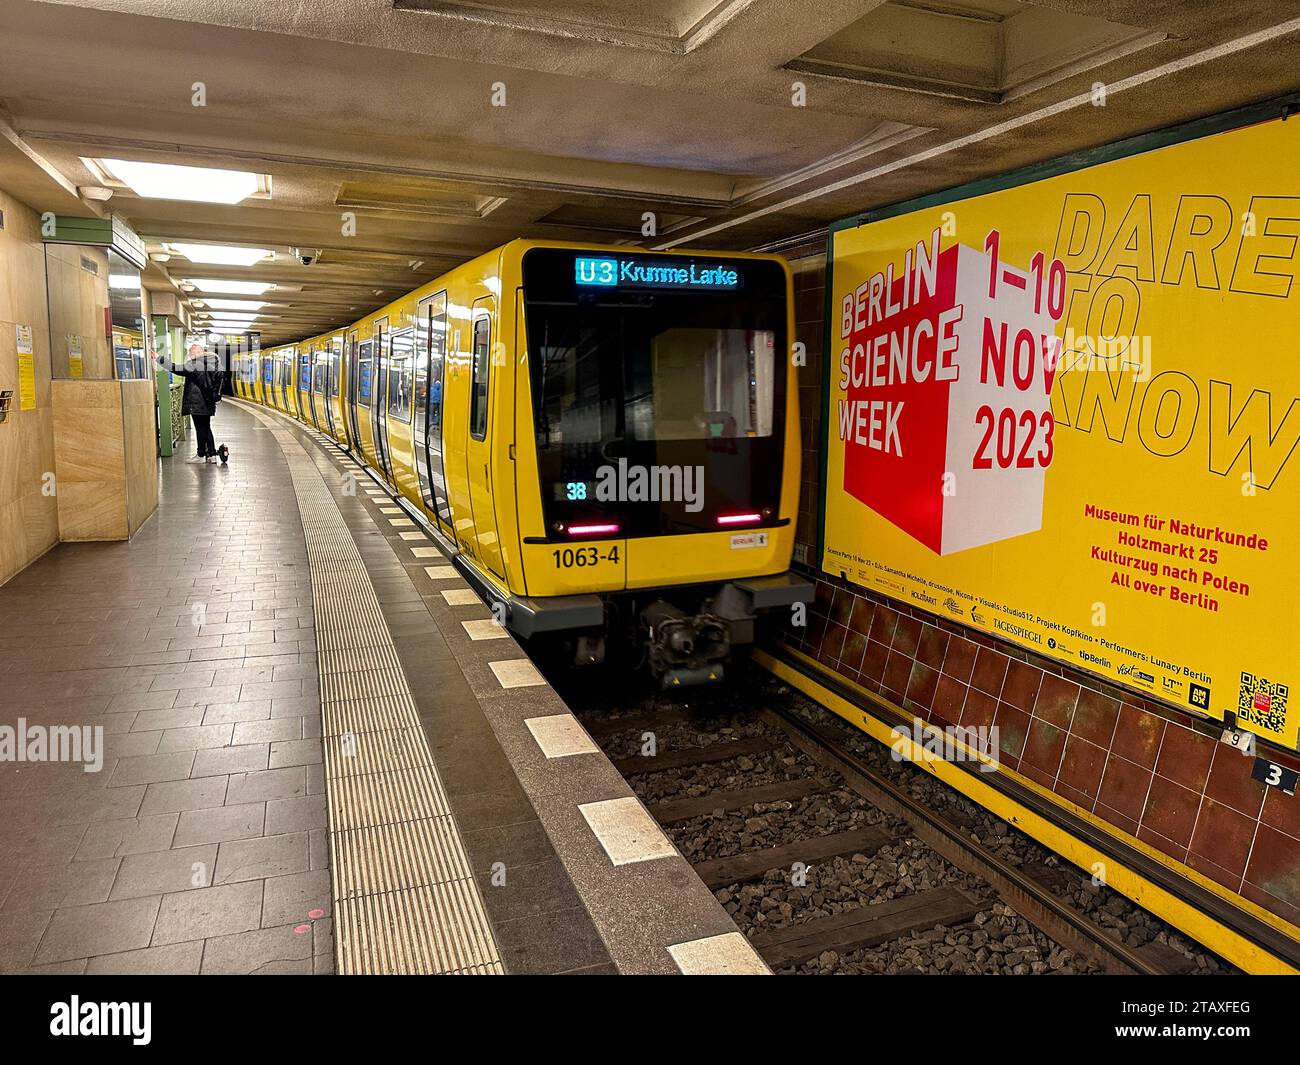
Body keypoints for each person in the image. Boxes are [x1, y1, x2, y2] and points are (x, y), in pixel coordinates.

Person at [171, 353, 225, 462]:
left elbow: (176, 368)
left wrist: (159, 358)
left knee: (200, 428)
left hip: (197, 402)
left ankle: (201, 455)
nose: (190, 356)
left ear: (197, 353)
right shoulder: (213, 364)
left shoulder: (196, 365)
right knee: (206, 427)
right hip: (208, 401)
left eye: (191, 353)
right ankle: (212, 454)